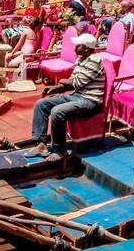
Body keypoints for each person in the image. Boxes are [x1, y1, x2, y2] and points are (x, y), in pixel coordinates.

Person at [28, 33, 104, 163]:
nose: (75, 48)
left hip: (91, 101)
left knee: (57, 111)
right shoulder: (80, 59)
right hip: (77, 96)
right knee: (41, 104)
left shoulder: (94, 62)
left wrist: (62, 81)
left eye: (78, 46)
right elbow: (71, 83)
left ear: (86, 48)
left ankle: (60, 150)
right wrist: (57, 87)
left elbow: (76, 82)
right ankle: (41, 144)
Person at [5, 15, 42, 81]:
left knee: (9, 60)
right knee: (8, 56)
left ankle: (8, 76)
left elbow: (19, 44)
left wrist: (12, 53)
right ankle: (7, 76)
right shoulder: (37, 33)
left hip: (26, 56)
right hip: (28, 55)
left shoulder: (26, 32)